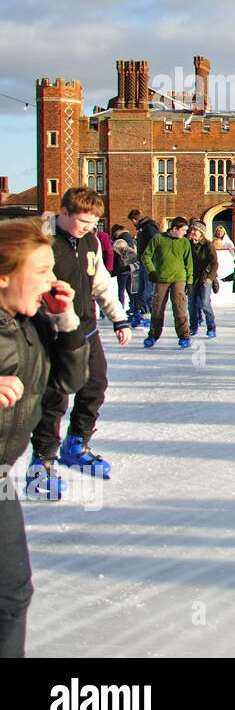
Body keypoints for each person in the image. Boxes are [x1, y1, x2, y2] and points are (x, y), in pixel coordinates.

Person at [0, 218, 88, 657]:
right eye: (40, 272)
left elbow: (68, 382)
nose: (52, 281)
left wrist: (66, 321)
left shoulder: (29, 324)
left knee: (12, 595)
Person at [27, 188, 129, 498]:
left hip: (85, 327)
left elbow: (100, 282)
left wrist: (119, 318)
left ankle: (76, 445)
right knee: (54, 398)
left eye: (94, 222)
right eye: (84, 221)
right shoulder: (42, 241)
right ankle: (41, 464)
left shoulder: (91, 241)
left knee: (94, 386)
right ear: (65, 212)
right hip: (51, 331)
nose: (89, 227)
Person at [141, 217, 193, 349]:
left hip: (179, 279)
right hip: (161, 279)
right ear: (174, 229)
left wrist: (189, 281)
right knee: (157, 308)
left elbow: (189, 263)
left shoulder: (185, 242)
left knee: (179, 308)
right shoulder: (158, 239)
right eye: (183, 230)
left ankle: (184, 336)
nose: (185, 233)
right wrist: (151, 271)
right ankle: (153, 335)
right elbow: (145, 255)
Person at [127, 209, 160, 327]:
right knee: (139, 290)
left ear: (134, 220)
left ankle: (153, 315)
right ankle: (143, 314)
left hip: (149, 263)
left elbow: (156, 243)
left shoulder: (149, 227)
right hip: (142, 263)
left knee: (148, 292)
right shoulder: (142, 228)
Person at [186, 222, 219, 339]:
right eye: (192, 230)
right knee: (192, 304)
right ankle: (193, 326)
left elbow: (214, 263)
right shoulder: (188, 244)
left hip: (204, 278)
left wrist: (209, 278)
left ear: (201, 232)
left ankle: (211, 327)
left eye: (195, 230)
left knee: (205, 304)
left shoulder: (208, 245)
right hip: (191, 278)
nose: (192, 233)